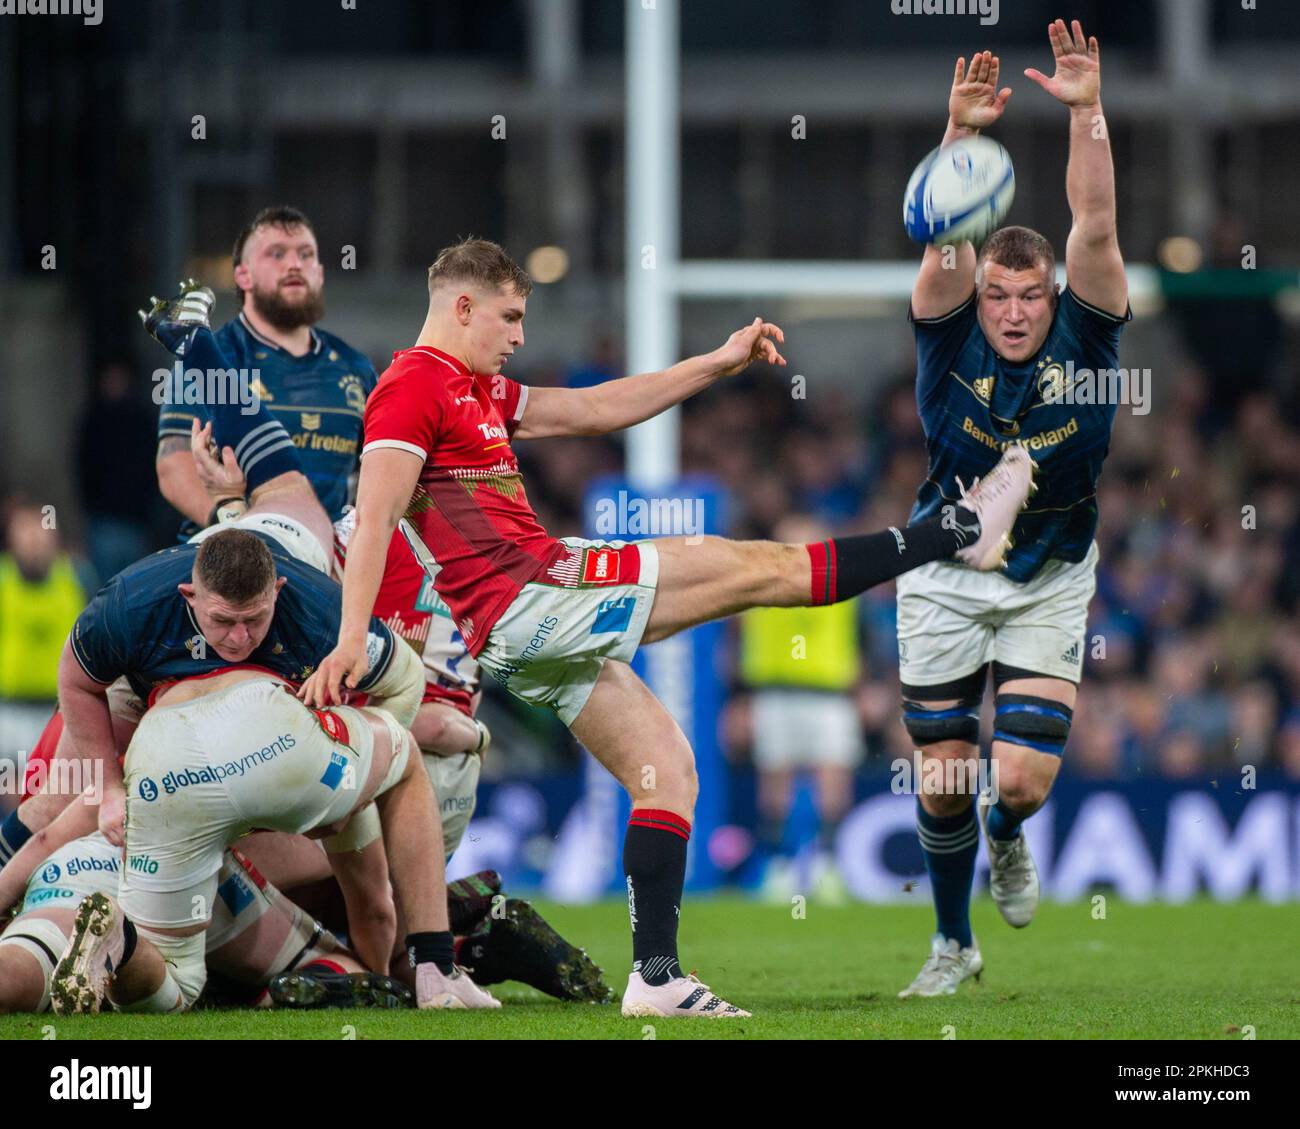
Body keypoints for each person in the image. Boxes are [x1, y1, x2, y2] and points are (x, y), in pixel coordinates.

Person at [301, 237, 1034, 1019]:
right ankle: (957, 531)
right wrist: (352, 640)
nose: (519, 336)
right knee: (758, 567)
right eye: (510, 318)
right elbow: (375, 516)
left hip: (528, 625)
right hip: (537, 594)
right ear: (461, 307)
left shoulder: (476, 388)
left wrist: (713, 364)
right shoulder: (411, 384)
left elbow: (593, 407)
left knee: (667, 768)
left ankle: (654, 976)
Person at [894, 23, 1130, 998]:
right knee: (943, 775)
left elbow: (1096, 229)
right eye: (1000, 294)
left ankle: (1009, 832)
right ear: (980, 295)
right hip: (945, 567)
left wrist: (1085, 114)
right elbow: (945, 232)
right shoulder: (949, 343)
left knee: (1018, 779)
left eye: (1030, 294)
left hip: (1050, 568)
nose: (1017, 311)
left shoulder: (1089, 329)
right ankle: (952, 943)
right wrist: (956, 136)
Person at [50, 663, 497, 1012]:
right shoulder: (302, 642)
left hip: (103, 863)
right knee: (346, 952)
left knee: (35, 975)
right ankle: (439, 959)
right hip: (254, 820)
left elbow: (40, 833)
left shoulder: (113, 747)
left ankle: (126, 944)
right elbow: (373, 909)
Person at [154, 205, 377, 536]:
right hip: (233, 568)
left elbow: (378, 471)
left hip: (324, 569)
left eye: (306, 255)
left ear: (320, 272)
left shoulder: (354, 366)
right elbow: (173, 466)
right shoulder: (208, 355)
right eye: (277, 254)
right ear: (243, 275)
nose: (294, 264)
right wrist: (238, 531)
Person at [740, 514, 863, 904]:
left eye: (805, 543)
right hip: (774, 693)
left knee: (832, 782)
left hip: (828, 695)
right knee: (775, 785)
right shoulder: (756, 587)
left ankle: (827, 866)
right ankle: (778, 868)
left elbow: (865, 640)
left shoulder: (840, 583)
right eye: (788, 543)